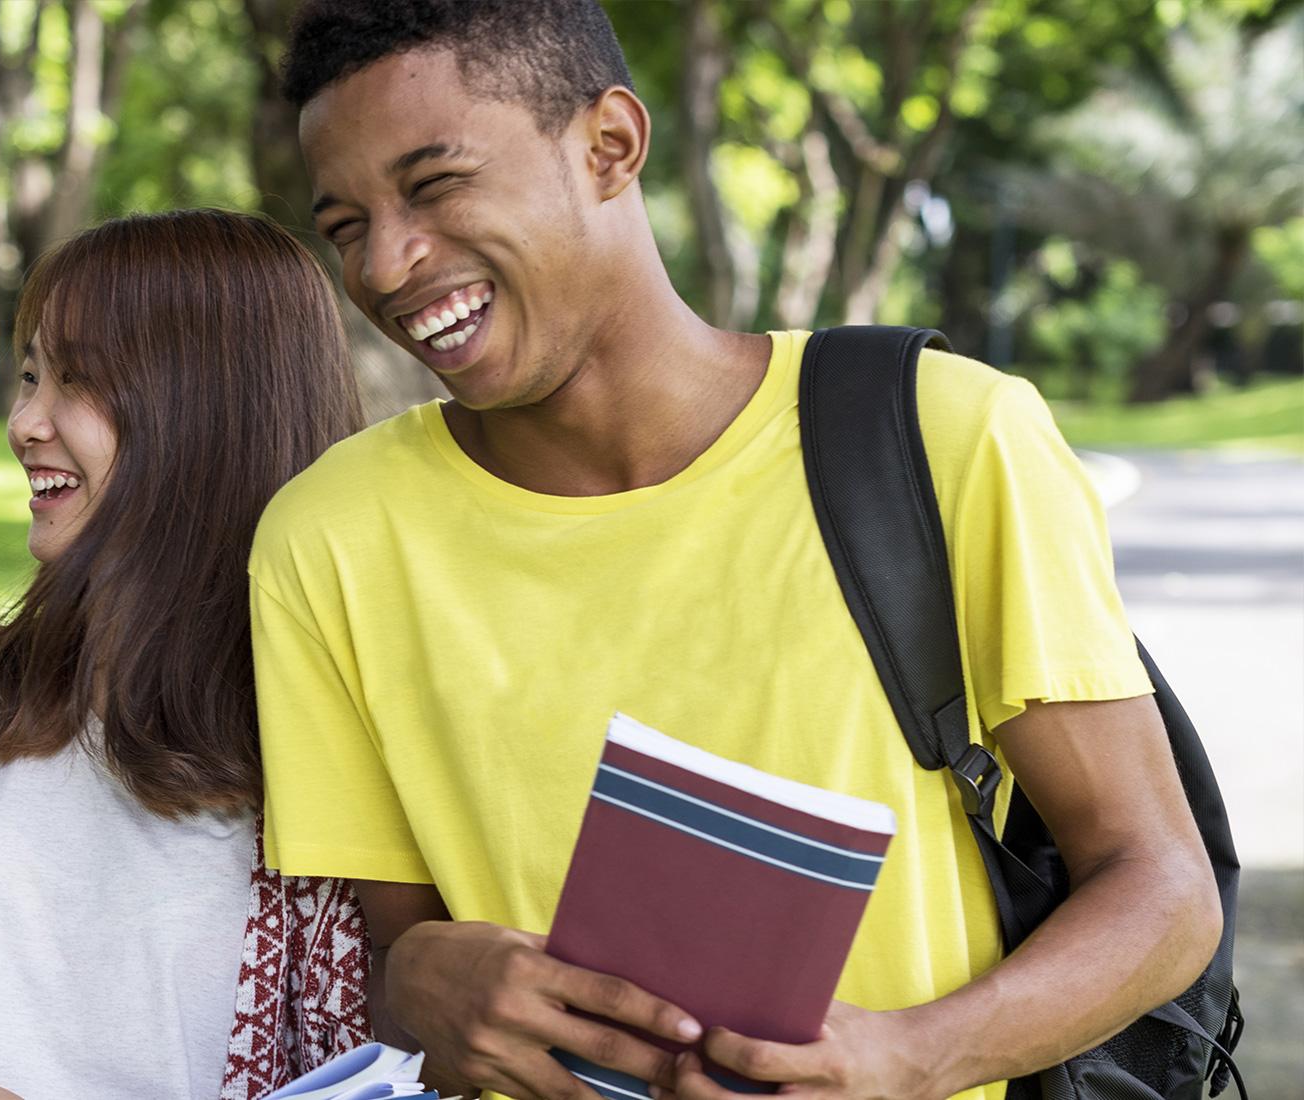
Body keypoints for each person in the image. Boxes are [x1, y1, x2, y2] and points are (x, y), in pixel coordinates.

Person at [251, 3, 1224, 1100]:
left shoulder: (944, 434)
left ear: (609, 144)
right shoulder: (328, 538)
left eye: (435, 186)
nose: (386, 265)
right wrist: (418, 983)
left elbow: (1161, 889)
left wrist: (908, 1056)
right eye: (346, 226)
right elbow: (394, 965)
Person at [0, 209, 373, 1100]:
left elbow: (361, 1058)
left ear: (210, 411)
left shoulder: (325, 738)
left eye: (78, 381)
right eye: (29, 376)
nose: (24, 422)